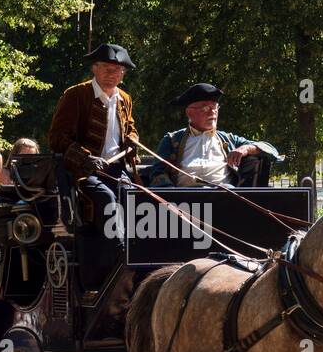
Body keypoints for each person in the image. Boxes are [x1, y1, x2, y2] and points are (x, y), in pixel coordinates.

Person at [47, 42, 141, 289]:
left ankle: (141, 256)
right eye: (109, 68)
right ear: (95, 68)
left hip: (117, 169)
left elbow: (130, 128)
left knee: (135, 199)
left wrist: (133, 140)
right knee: (107, 199)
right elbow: (57, 139)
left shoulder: (125, 99)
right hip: (83, 172)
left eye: (119, 70)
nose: (114, 73)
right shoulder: (75, 95)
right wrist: (85, 157)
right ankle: (122, 256)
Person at [150, 83, 279, 187]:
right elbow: (157, 173)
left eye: (215, 108)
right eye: (205, 108)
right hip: (185, 203)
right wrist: (173, 197)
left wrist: (245, 148)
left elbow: (272, 151)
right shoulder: (172, 140)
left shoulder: (228, 139)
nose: (212, 113)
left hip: (225, 199)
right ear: (189, 113)